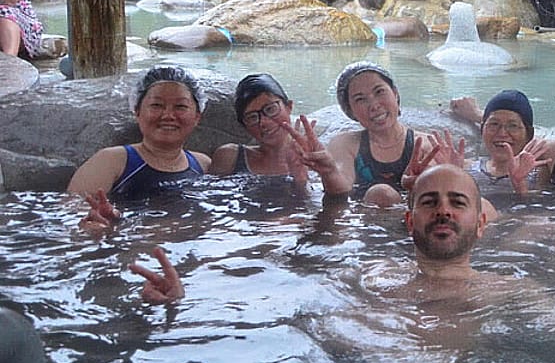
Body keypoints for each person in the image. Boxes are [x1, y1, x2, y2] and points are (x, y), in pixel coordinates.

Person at [131, 164, 555, 335]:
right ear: (409, 220)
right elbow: (274, 305)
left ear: (480, 224)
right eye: (430, 202)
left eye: (457, 203)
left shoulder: (512, 291)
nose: (443, 211)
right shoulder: (370, 274)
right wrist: (185, 302)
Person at [68, 66, 211, 230]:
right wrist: (98, 226)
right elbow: (69, 215)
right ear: (137, 111)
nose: (168, 115)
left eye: (180, 106)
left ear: (197, 117)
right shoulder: (111, 161)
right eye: (156, 105)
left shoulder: (202, 164)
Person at [324, 61, 446, 208]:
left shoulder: (424, 144)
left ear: (395, 94)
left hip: (408, 218)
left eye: (379, 92)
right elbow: (340, 192)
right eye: (360, 99)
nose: (374, 105)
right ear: (350, 111)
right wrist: (327, 171)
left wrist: (416, 188)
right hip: (364, 218)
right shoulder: (345, 144)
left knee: (382, 193)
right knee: (380, 193)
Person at [208, 73, 351, 196]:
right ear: (244, 126)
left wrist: (301, 180)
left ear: (289, 107)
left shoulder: (316, 157)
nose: (264, 122)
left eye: (271, 109)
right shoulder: (230, 157)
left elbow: (331, 208)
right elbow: (214, 202)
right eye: (252, 117)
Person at [450, 89, 551, 197]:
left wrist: (520, 185)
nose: (502, 133)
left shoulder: (539, 174)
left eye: (513, 126)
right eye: (494, 124)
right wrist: (451, 176)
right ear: (482, 129)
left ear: (529, 134)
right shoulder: (464, 168)